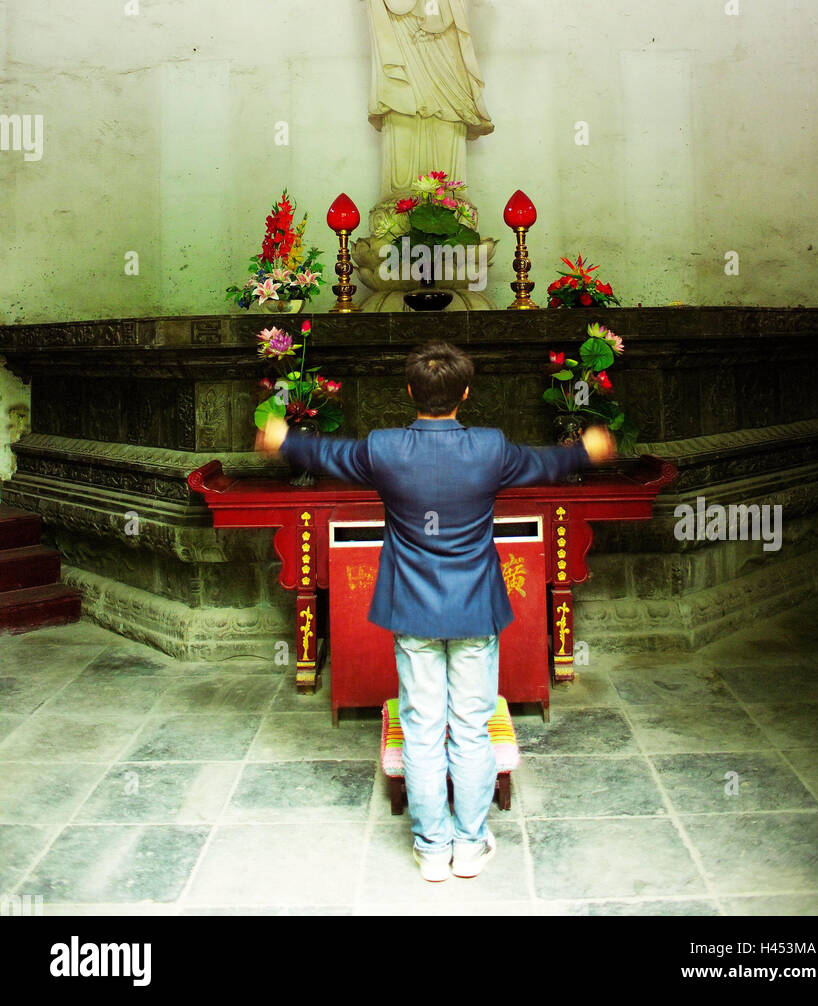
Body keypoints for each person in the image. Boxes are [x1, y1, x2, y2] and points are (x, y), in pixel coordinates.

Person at [256, 339, 616, 882]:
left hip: (413, 610)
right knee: (470, 728)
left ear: (409, 393)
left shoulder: (384, 449)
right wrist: (587, 450)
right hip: (474, 608)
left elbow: (327, 454)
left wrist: (285, 439)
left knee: (422, 728)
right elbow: (547, 463)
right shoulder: (491, 448)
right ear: (465, 395)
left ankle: (431, 849)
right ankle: (470, 846)